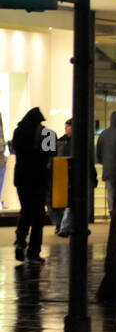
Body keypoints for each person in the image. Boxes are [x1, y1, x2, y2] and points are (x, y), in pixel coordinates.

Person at [12, 107, 55, 263]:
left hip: (21, 178)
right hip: (38, 178)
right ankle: (33, 252)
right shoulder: (47, 133)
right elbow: (52, 153)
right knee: (38, 217)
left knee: (25, 211)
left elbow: (15, 150)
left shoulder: (18, 132)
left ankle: (20, 240)